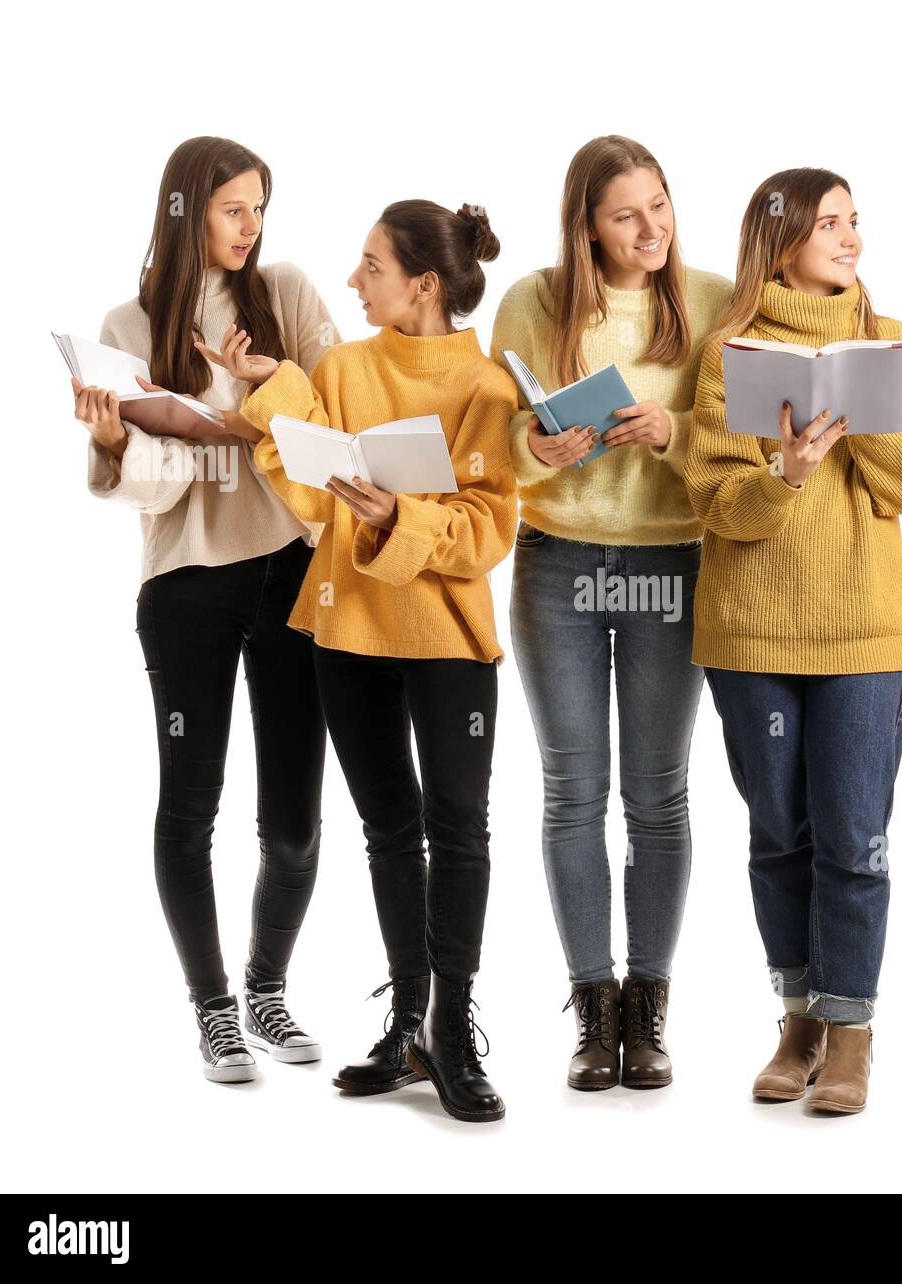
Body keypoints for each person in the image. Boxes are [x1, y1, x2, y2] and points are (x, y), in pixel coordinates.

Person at [235, 199, 517, 1122]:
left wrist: (403, 519)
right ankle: (407, 1024)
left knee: (460, 830)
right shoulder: (342, 369)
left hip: (448, 638)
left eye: (371, 266)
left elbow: (487, 531)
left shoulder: (487, 387)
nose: (353, 281)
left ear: (424, 285)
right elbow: (313, 498)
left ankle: (451, 1028)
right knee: (390, 831)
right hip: (348, 630)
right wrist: (275, 387)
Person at [685, 167, 902, 1113]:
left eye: (853, 220)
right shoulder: (729, 354)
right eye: (829, 223)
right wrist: (788, 473)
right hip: (750, 632)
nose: (850, 238)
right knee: (778, 833)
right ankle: (797, 1018)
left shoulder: (891, 341)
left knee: (854, 835)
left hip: (863, 631)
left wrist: (851, 422)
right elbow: (714, 501)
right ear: (783, 238)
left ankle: (852, 1032)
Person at [74, 135, 335, 1083]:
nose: (250, 226)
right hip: (187, 582)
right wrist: (118, 444)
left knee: (294, 821)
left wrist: (252, 396)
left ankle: (267, 988)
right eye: (233, 209)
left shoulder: (288, 294)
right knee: (190, 804)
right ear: (185, 210)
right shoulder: (130, 324)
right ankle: (215, 1008)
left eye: (260, 208)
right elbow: (163, 484)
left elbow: (338, 424)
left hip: (293, 572)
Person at [491, 135, 732, 1090]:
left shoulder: (711, 300)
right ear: (585, 225)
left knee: (659, 796)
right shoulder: (532, 301)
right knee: (573, 792)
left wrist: (673, 430)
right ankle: (593, 1010)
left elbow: (737, 432)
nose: (650, 229)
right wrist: (536, 447)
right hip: (558, 563)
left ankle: (649, 1006)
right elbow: (494, 439)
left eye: (659, 206)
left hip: (671, 563)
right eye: (626, 215)